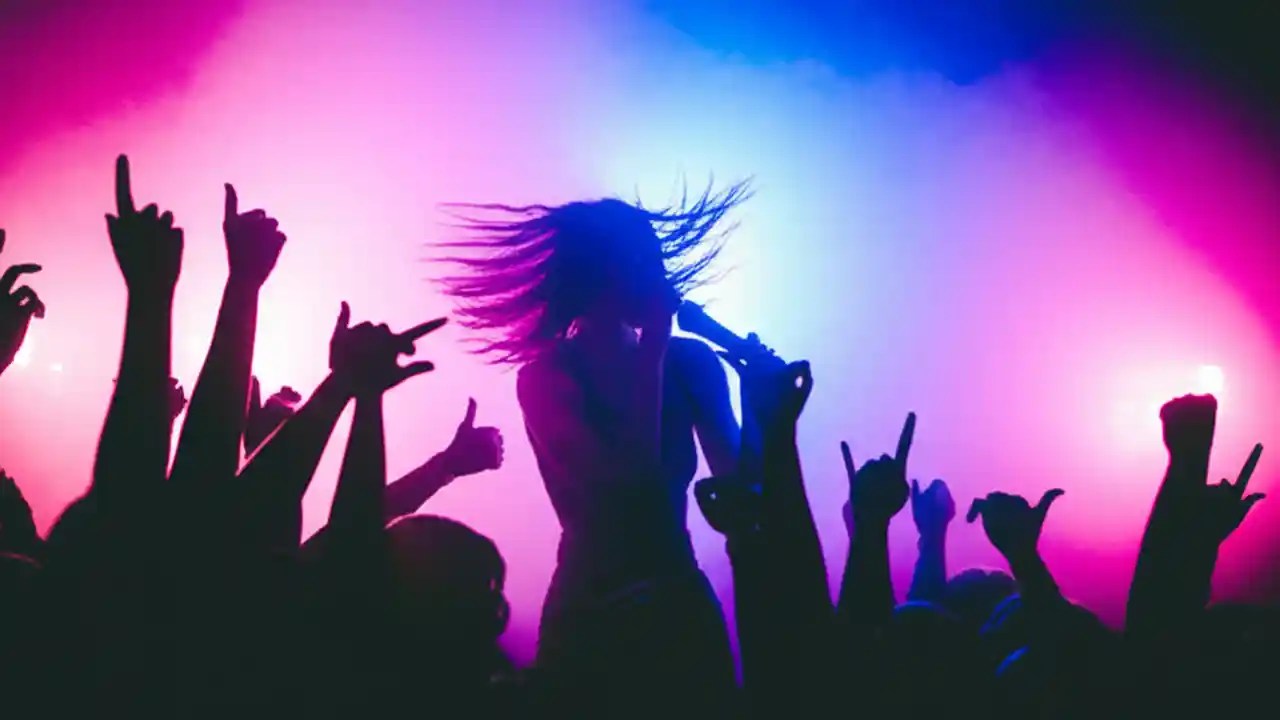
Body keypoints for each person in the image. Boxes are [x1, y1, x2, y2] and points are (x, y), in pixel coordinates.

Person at [439, 184, 750, 711]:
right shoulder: (546, 377)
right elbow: (627, 478)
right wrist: (653, 345)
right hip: (592, 614)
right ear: (608, 270)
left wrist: (766, 406)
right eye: (646, 258)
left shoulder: (691, 363)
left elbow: (743, 489)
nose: (660, 271)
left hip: (679, 598)